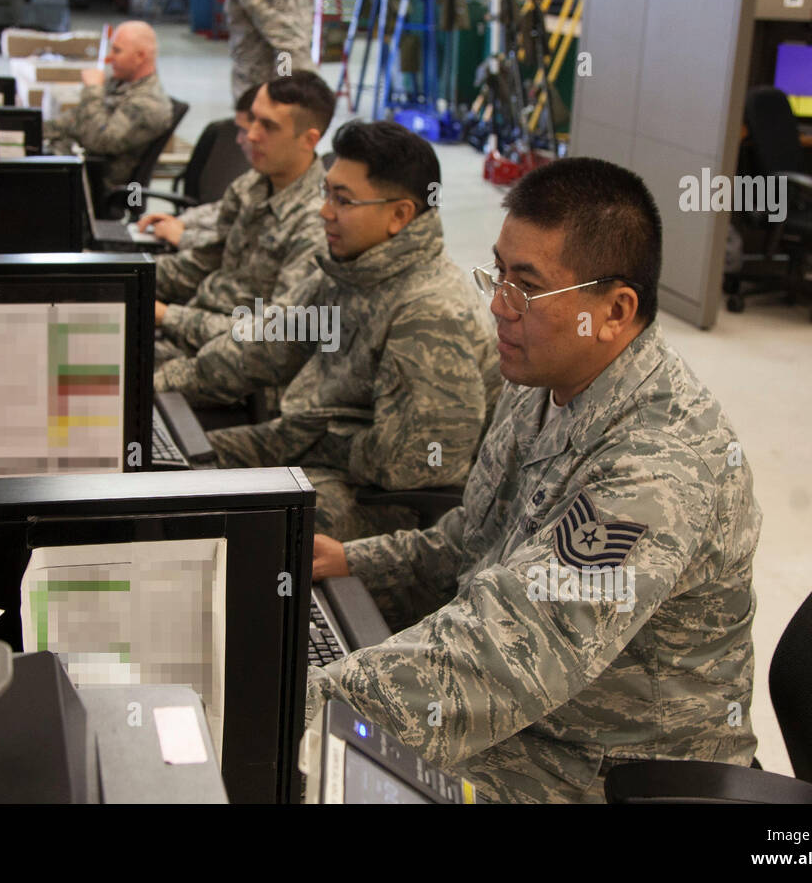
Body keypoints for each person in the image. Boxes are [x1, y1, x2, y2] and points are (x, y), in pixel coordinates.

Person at [307, 157, 761, 803]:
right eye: (498, 271)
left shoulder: (660, 467)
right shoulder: (543, 379)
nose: (497, 304)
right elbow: (475, 536)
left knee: (323, 780)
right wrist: (353, 558)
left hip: (610, 764)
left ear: (614, 310)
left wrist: (303, 707)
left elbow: (506, 654)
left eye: (525, 286)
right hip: (536, 712)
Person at [156, 121, 501, 541]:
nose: (324, 211)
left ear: (399, 215)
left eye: (342, 199)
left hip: (389, 508)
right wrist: (155, 388)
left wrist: (317, 435)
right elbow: (259, 349)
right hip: (320, 452)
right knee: (170, 466)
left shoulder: (429, 310)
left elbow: (421, 464)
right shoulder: (350, 268)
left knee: (222, 520)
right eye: (327, 193)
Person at [153, 72, 333, 365]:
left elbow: (275, 336)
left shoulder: (316, 223)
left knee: (85, 376)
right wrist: (121, 278)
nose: (251, 134)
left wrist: (167, 316)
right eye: (253, 119)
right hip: (193, 336)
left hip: (231, 367)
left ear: (308, 140)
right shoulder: (253, 185)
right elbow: (202, 263)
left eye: (269, 126)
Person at [44, 20, 172, 192]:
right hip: (76, 166)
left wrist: (93, 91)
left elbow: (102, 141)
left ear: (140, 57)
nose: (109, 57)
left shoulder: (148, 103)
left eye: (117, 50)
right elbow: (78, 120)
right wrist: (35, 131)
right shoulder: (121, 85)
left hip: (98, 186)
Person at [137, 87, 256, 250]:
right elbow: (222, 209)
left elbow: (239, 247)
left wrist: (182, 236)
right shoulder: (257, 179)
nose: (241, 140)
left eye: (268, 127)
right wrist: (180, 221)